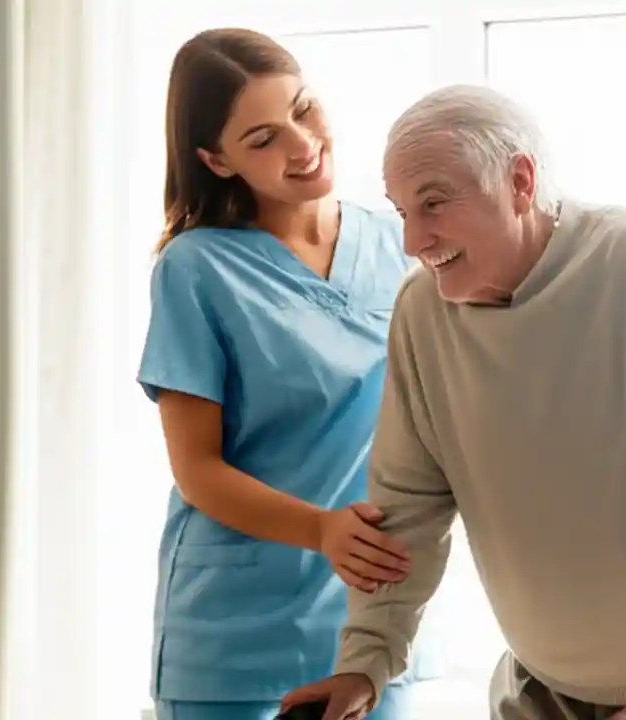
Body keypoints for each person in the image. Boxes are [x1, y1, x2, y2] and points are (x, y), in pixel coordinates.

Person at [281, 85, 626, 720]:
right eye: (401, 211)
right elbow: (406, 508)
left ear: (520, 181)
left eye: (433, 203)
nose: (412, 240)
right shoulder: (421, 311)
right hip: (540, 684)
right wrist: (365, 662)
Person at [137, 28, 438, 720]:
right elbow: (197, 469)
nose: (302, 145)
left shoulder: (403, 245)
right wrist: (322, 531)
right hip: (234, 637)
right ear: (215, 159)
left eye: (303, 110)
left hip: (376, 619)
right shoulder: (197, 270)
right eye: (263, 138)